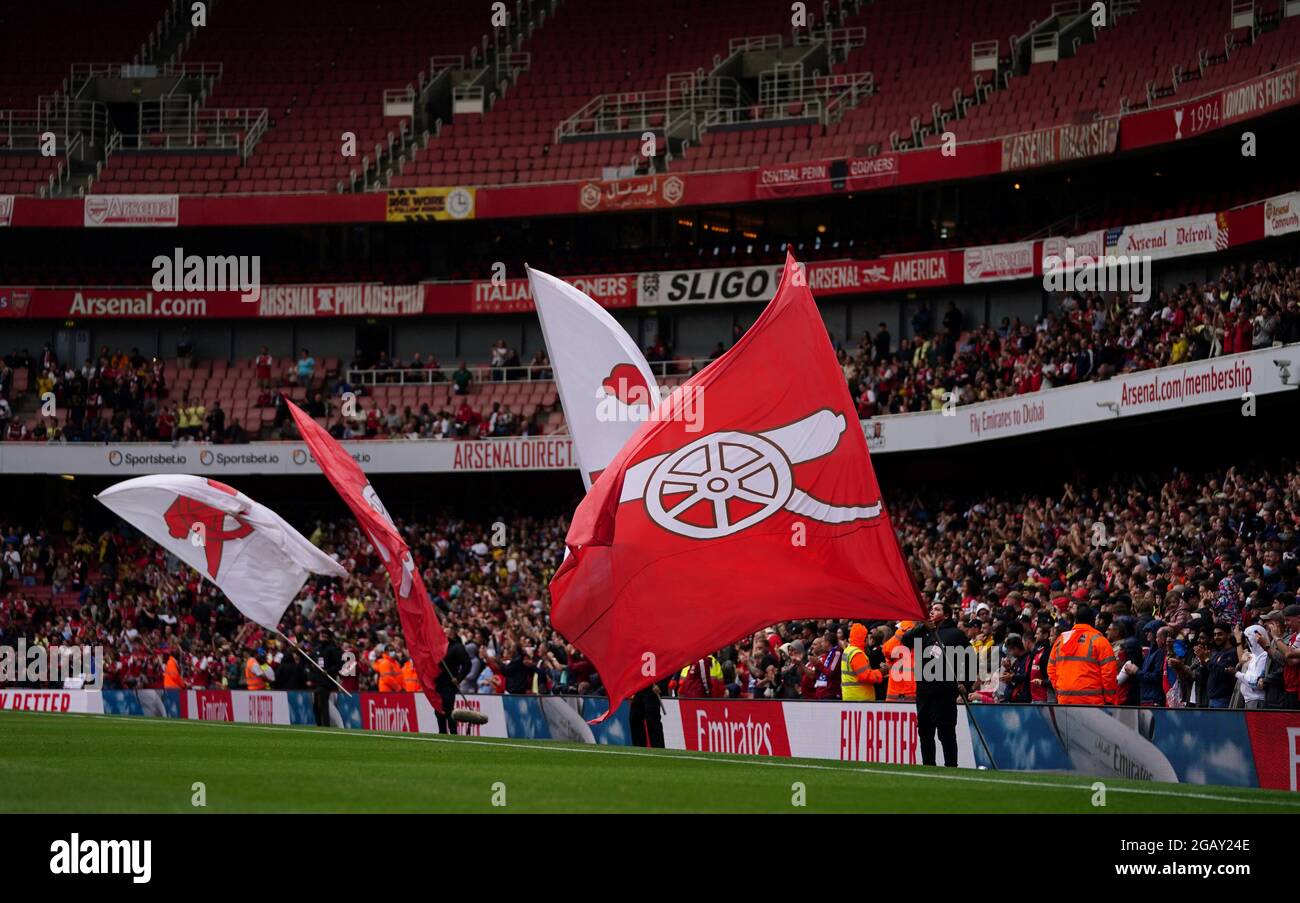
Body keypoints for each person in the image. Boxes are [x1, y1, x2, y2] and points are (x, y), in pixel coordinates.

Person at [902, 601, 969, 767]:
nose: (932, 612)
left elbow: (970, 659)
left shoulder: (955, 634)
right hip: (924, 691)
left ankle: (951, 766)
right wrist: (922, 627)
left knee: (946, 732)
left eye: (937, 609)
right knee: (925, 732)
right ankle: (928, 765)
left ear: (946, 615)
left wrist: (966, 683)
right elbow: (905, 640)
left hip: (944, 691)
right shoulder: (924, 633)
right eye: (931, 609)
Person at [1046, 606, 1117, 705]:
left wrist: (1060, 691)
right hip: (1093, 703)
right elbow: (1109, 674)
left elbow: (1051, 669)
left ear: (1076, 621)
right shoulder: (1100, 641)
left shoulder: (1061, 639)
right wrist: (1110, 701)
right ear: (1092, 621)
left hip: (1065, 701)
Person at [435, 633, 472, 734]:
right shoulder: (436, 646)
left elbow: (467, 664)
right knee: (438, 711)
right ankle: (442, 733)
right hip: (437, 683)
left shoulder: (456, 647)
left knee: (448, 710)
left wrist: (459, 678)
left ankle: (453, 734)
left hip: (449, 684)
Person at [840, 622, 885, 701]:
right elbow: (865, 676)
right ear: (864, 638)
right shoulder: (857, 654)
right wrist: (882, 672)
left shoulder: (848, 650)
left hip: (850, 696)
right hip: (861, 698)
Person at [313, 629, 343, 727]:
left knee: (323, 703)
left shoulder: (332, 649)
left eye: (325, 637)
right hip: (318, 681)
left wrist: (329, 671)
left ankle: (325, 725)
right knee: (316, 704)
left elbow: (339, 664)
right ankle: (319, 724)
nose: (323, 638)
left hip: (327, 681)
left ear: (329, 638)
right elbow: (310, 660)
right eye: (322, 636)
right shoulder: (317, 649)